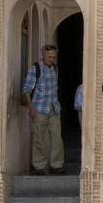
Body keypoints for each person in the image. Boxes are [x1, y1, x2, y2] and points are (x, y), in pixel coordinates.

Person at [21, 43, 65, 175]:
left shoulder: (55, 69)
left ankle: (56, 165)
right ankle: (39, 166)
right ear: (43, 55)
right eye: (49, 57)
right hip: (39, 108)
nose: (52, 59)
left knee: (57, 137)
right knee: (38, 137)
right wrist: (31, 107)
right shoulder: (36, 69)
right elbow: (26, 89)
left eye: (53, 57)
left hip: (54, 108)